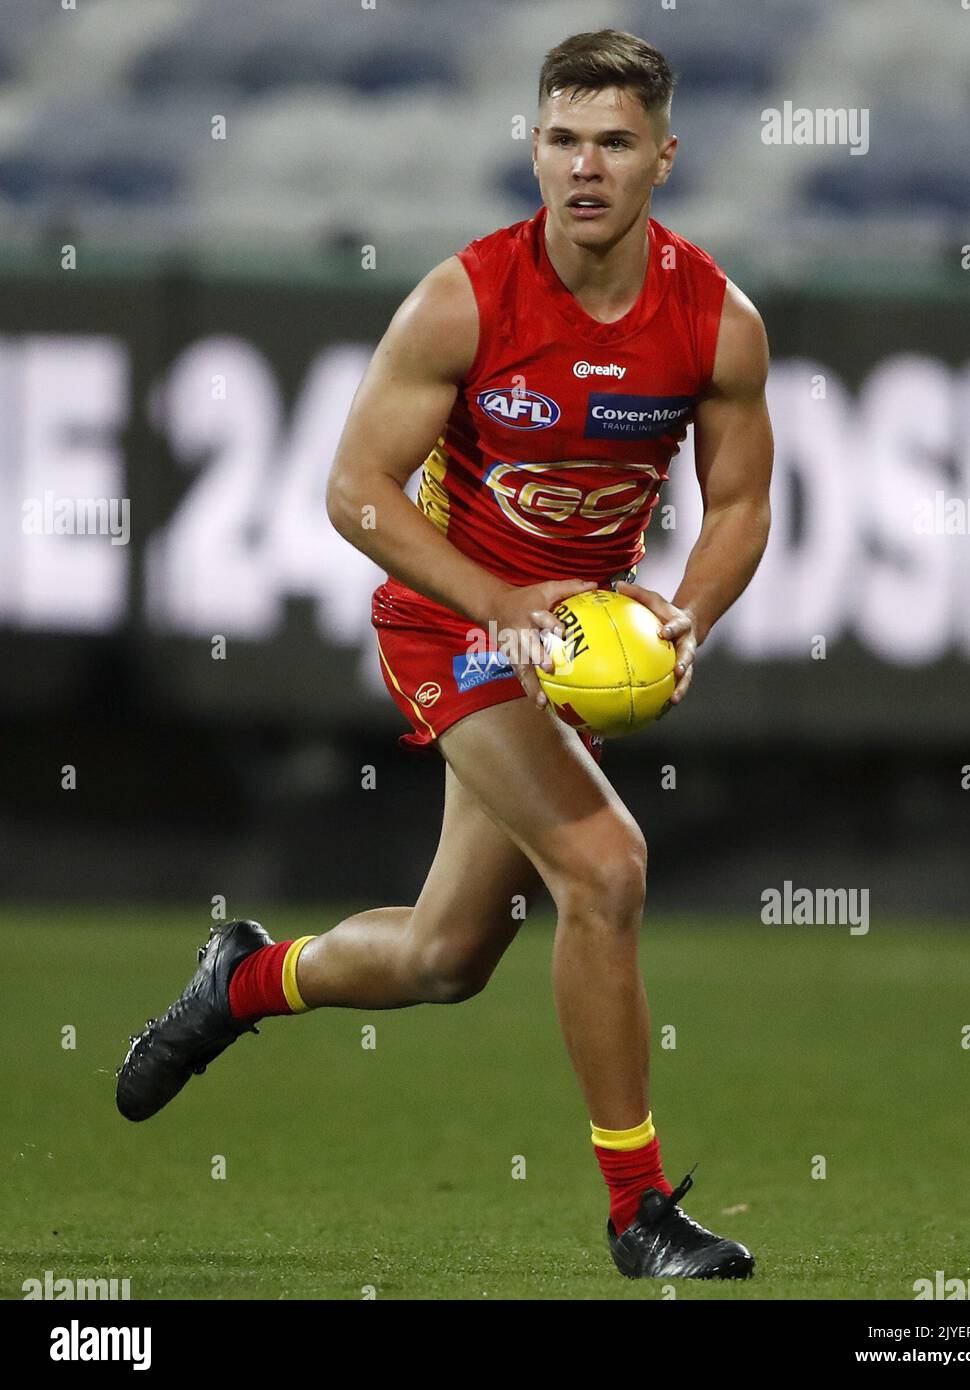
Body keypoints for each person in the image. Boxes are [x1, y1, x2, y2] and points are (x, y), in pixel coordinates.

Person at [117, 28, 773, 1282]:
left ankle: (244, 979)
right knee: (606, 865)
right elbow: (355, 490)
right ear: (533, 146)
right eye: (562, 139)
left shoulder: (713, 320)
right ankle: (637, 1215)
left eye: (614, 143)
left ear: (663, 157)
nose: (585, 167)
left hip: (566, 646)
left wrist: (690, 607)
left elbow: (737, 505)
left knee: (444, 957)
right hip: (453, 628)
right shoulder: (463, 298)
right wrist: (497, 600)